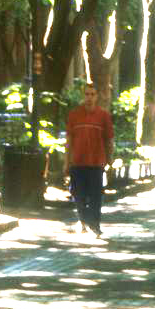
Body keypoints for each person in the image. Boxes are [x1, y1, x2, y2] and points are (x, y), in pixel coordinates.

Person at [65, 83, 115, 237]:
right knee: (78, 195)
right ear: (83, 95)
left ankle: (95, 225)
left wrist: (110, 159)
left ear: (97, 96)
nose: (89, 97)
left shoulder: (103, 116)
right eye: (87, 94)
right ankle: (83, 220)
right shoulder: (74, 115)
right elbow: (68, 140)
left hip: (96, 163)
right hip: (77, 162)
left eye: (92, 94)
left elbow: (109, 140)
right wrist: (66, 162)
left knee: (95, 196)